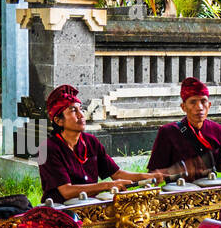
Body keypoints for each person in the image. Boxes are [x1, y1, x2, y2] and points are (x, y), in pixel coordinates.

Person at [39, 84, 167, 201]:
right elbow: (66, 191)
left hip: (89, 205)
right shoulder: (48, 148)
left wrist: (147, 176)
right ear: (58, 120)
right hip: (60, 210)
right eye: (73, 111)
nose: (81, 115)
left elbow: (117, 174)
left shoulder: (90, 141)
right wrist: (107, 185)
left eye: (81, 109)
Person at [146, 77, 221, 174]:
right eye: (193, 102)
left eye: (203, 101)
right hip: (180, 188)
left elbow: (216, 165)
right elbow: (153, 174)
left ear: (209, 105)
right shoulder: (168, 132)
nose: (199, 107)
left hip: (210, 187)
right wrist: (178, 170)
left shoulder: (218, 130)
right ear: (183, 107)